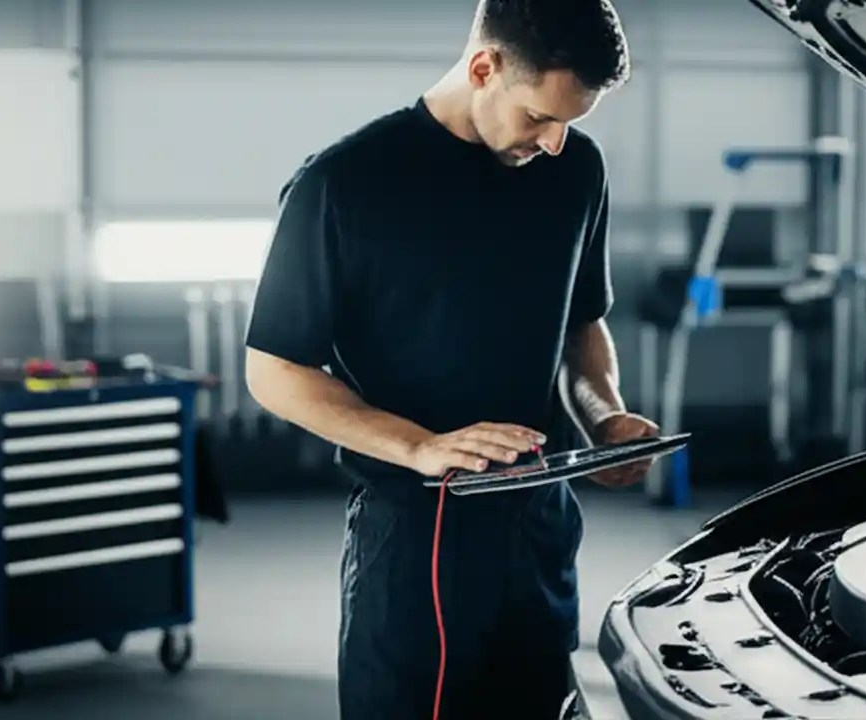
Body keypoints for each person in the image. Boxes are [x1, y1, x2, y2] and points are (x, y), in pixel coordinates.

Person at [244, 1, 657, 716]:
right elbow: (275, 369)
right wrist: (420, 445)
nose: (554, 141)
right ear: (482, 68)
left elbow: (580, 321)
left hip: (539, 527)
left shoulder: (576, 171)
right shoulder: (344, 185)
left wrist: (603, 415)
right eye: (537, 117)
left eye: (572, 122)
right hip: (419, 541)